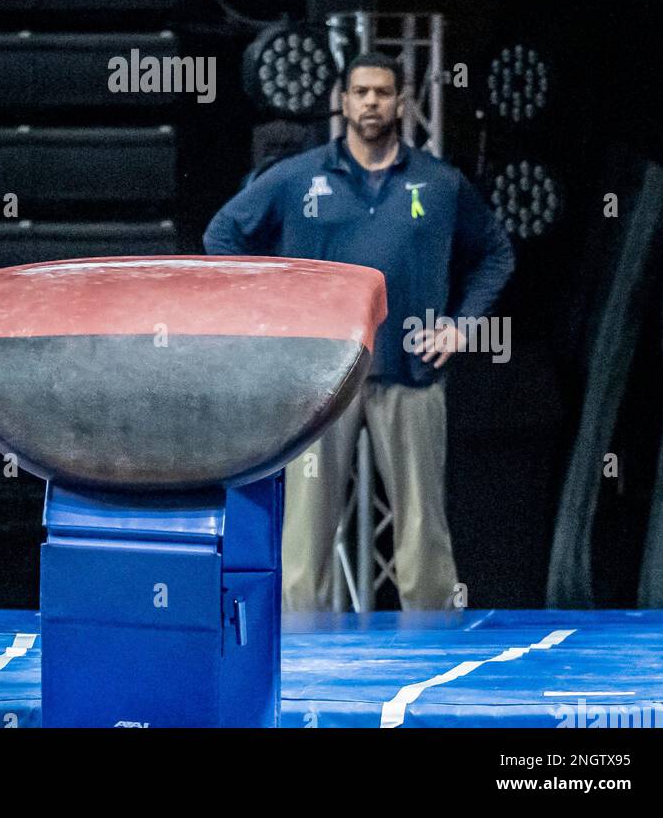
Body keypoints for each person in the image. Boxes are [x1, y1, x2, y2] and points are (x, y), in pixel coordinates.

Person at [203, 51, 515, 612]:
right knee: (304, 537)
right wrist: (276, 310)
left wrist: (461, 327)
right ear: (342, 102)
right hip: (323, 378)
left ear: (402, 102)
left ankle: (433, 655)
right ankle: (302, 663)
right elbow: (222, 234)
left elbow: (495, 252)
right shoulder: (297, 177)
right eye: (361, 91)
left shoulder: (439, 184)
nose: (372, 101)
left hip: (412, 372)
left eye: (383, 92)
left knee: (422, 530)